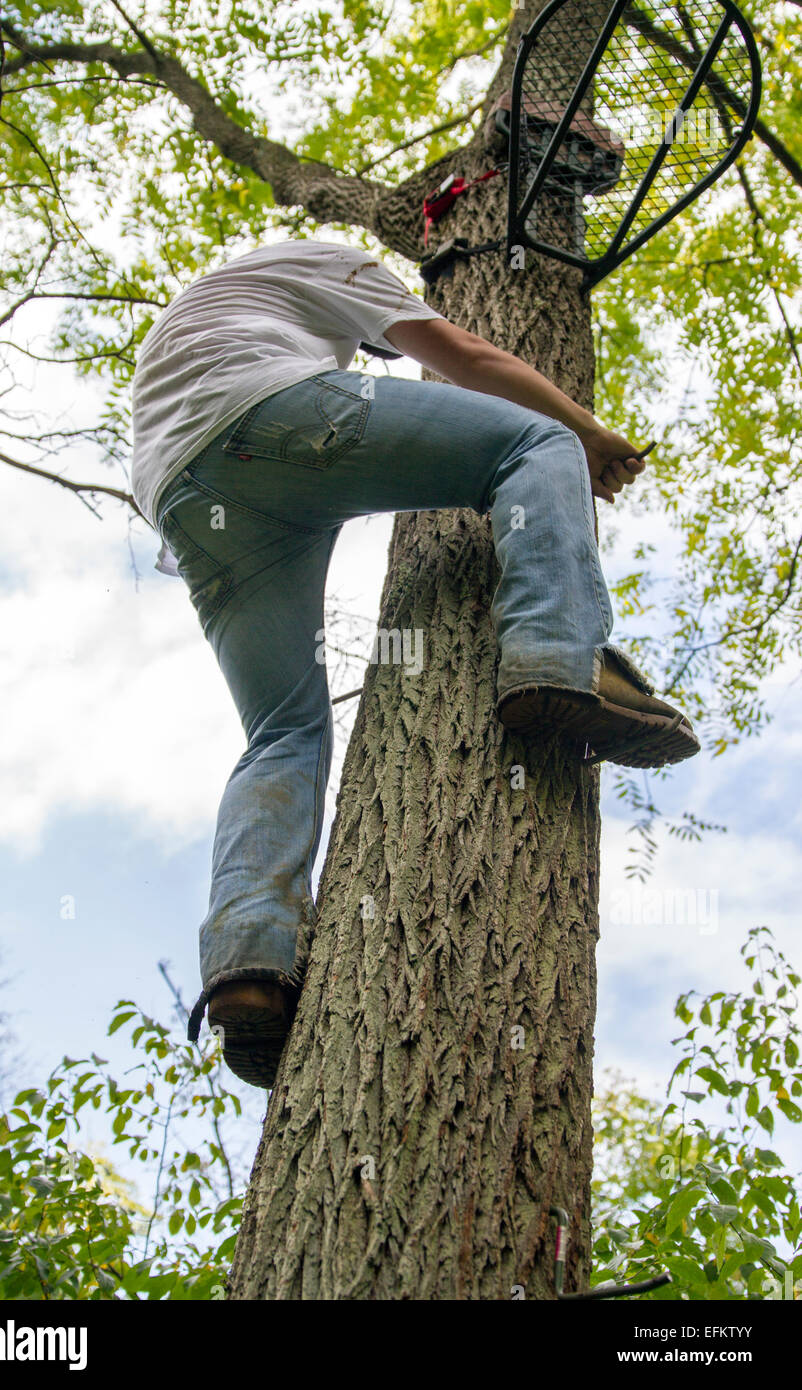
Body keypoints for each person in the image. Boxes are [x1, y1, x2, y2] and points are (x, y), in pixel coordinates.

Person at [131, 238, 698, 1088]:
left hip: (183, 494)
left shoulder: (215, 306)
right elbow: (466, 356)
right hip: (268, 416)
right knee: (534, 447)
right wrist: (587, 434)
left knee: (281, 732)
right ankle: (557, 657)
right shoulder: (330, 260)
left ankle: (250, 961)